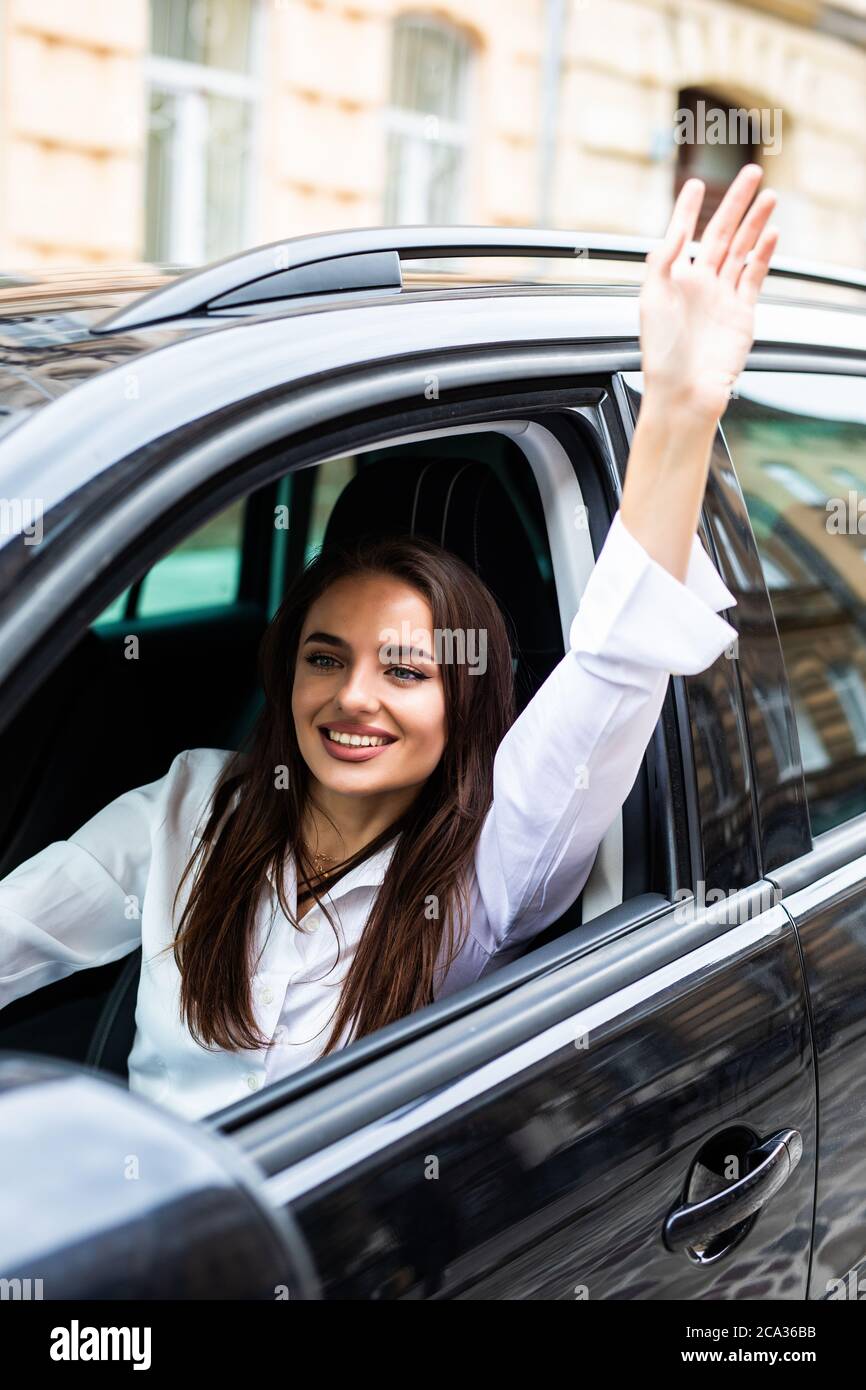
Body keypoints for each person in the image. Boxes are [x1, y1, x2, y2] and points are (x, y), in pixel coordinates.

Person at [0, 167, 778, 1121]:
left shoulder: (491, 864)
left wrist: (679, 413)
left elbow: (617, 658)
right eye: (326, 657)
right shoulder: (191, 806)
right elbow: (18, 930)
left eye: (406, 669)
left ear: (464, 705)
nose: (353, 696)